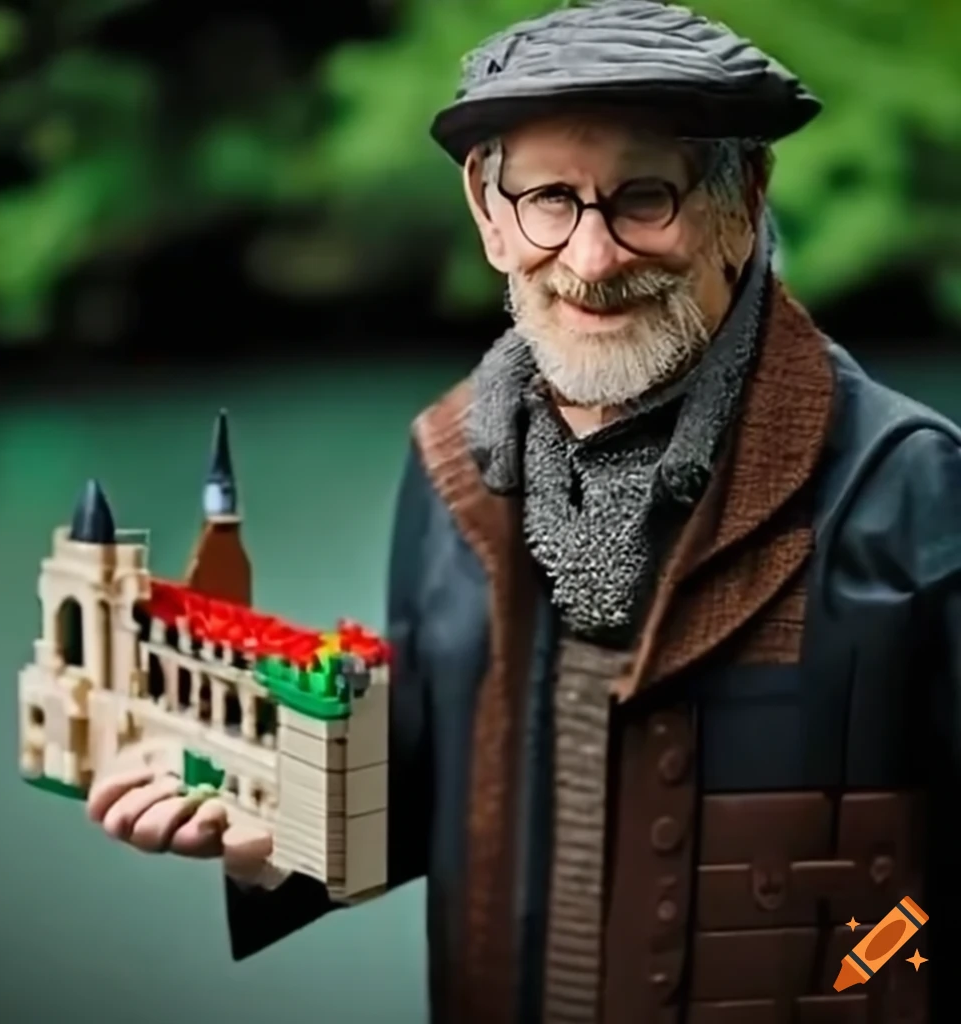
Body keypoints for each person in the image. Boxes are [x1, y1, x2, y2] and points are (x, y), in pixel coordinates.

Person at [87, 2, 959, 1021]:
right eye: (549, 198)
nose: (591, 259)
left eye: (644, 198)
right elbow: (425, 796)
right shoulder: (449, 467)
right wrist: (265, 822)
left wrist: (878, 976)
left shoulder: (905, 492)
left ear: (740, 202)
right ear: (488, 213)